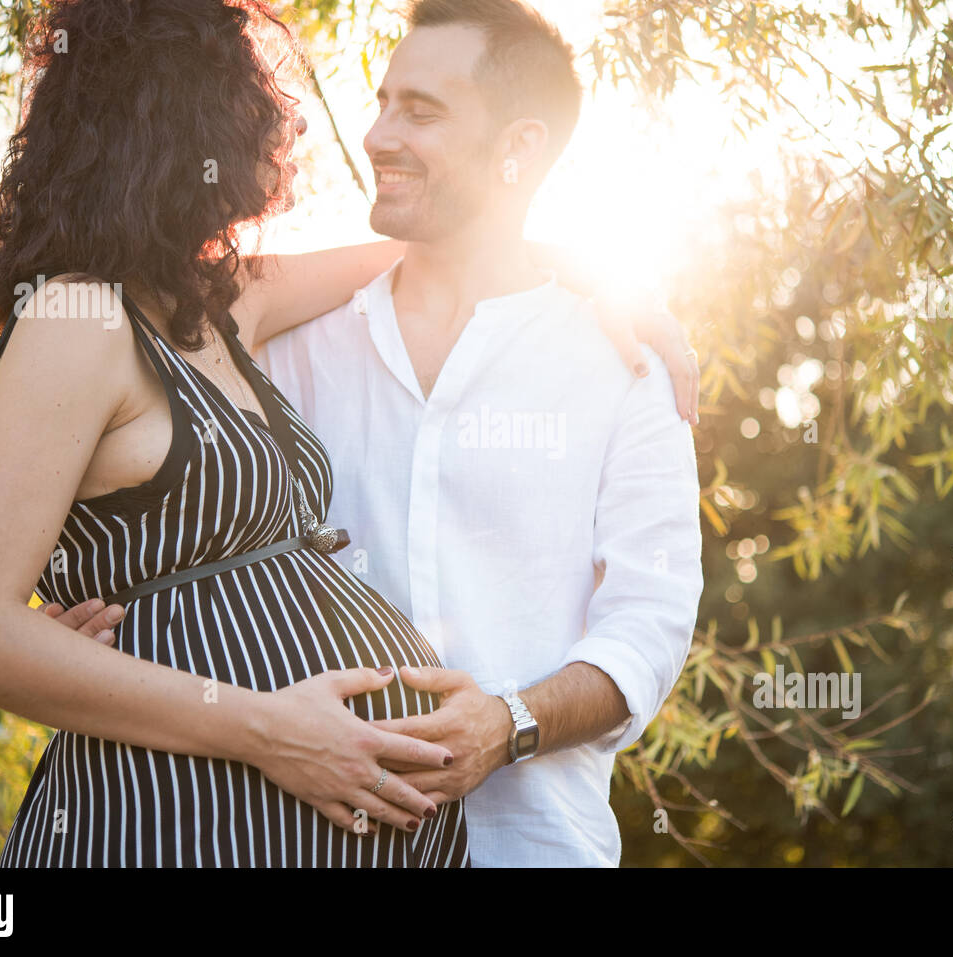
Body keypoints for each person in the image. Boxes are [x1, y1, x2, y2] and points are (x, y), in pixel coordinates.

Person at [0, 0, 691, 867]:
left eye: (419, 110)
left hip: (443, 840)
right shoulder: (130, 320)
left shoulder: (221, 310)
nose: (296, 131)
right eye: (248, 102)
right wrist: (264, 725)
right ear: (179, 128)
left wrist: (578, 266)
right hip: (169, 824)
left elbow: (648, 628)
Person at [256, 0, 704, 866]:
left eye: (420, 111)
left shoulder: (625, 365)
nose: (378, 133)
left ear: (519, 148)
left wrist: (509, 722)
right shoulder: (289, 352)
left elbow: (647, 624)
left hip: (533, 848)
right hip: (300, 842)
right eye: (382, 101)